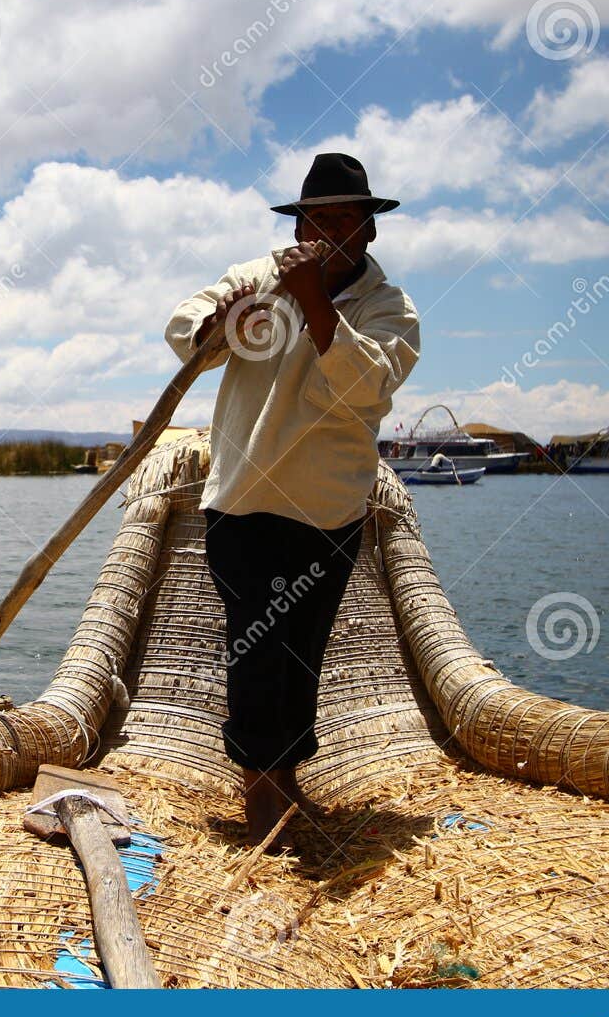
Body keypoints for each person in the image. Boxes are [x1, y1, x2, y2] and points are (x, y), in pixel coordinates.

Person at [163, 152, 421, 847]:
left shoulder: (390, 309)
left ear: (370, 231)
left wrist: (310, 299)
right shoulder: (261, 278)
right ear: (301, 224)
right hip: (246, 502)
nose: (332, 230)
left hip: (330, 510)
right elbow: (188, 326)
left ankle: (287, 779)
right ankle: (258, 792)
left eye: (346, 218)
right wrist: (215, 318)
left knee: (304, 648)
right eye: (318, 218)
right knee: (256, 645)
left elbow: (367, 385)